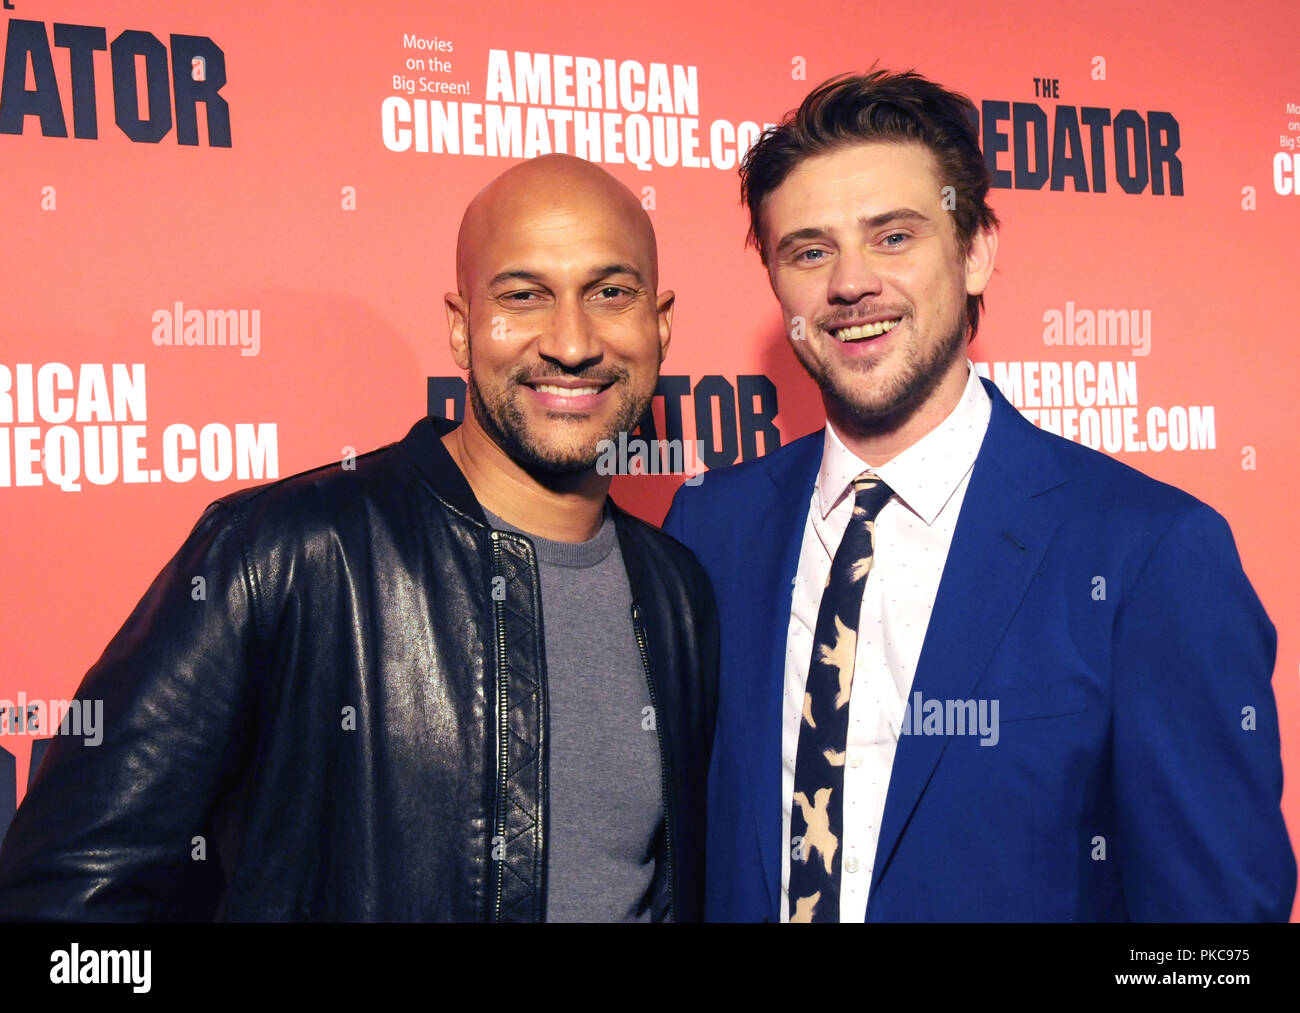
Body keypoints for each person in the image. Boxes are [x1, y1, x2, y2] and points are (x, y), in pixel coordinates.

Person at [0, 154, 718, 922]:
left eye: (610, 293)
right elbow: (63, 900)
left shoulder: (676, 591)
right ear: (460, 327)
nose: (572, 342)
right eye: (523, 295)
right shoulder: (285, 553)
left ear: (660, 323)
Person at [664, 70, 1294, 922]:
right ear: (778, 285)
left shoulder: (1148, 551)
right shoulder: (712, 527)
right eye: (809, 251)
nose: (850, 283)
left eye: (893, 237)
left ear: (975, 252)